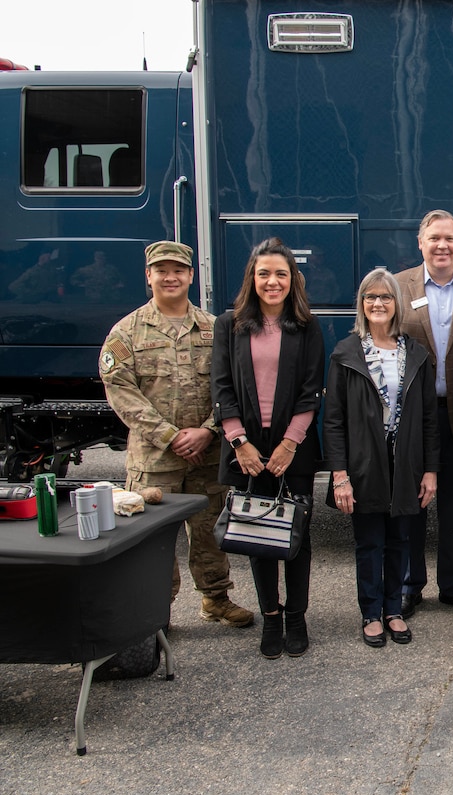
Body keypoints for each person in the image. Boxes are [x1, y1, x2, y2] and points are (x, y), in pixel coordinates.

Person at [99, 241, 254, 630]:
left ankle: (216, 599)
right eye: (161, 270)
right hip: (155, 458)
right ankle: (156, 613)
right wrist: (170, 436)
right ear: (148, 276)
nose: (170, 277)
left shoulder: (214, 328)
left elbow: (232, 386)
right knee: (153, 539)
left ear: (190, 275)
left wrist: (206, 431)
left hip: (206, 451)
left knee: (209, 529)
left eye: (178, 270)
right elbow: (121, 391)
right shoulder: (127, 332)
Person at [212, 237, 324, 659]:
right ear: (252, 278)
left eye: (280, 274)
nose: (272, 282)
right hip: (247, 448)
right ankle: (271, 617)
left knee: (296, 534)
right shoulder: (230, 325)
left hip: (289, 449)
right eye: (264, 274)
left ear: (292, 279)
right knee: (255, 533)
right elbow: (220, 387)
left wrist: (290, 444)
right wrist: (239, 442)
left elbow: (312, 391)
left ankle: (297, 615)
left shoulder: (306, 326)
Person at [324, 269, 438, 649]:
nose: (378, 303)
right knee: (369, 542)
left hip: (405, 463)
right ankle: (371, 613)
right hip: (363, 465)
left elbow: (428, 421)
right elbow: (334, 420)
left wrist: (430, 471)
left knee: (400, 541)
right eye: (370, 297)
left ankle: (394, 609)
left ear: (396, 304)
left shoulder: (416, 354)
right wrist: (339, 475)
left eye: (386, 297)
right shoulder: (346, 353)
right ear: (362, 303)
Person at [395, 210, 453, 619]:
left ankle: (452, 583)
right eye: (434, 238)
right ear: (421, 243)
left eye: (449, 238)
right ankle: (410, 584)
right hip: (414, 413)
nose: (442, 245)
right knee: (411, 501)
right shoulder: (397, 286)